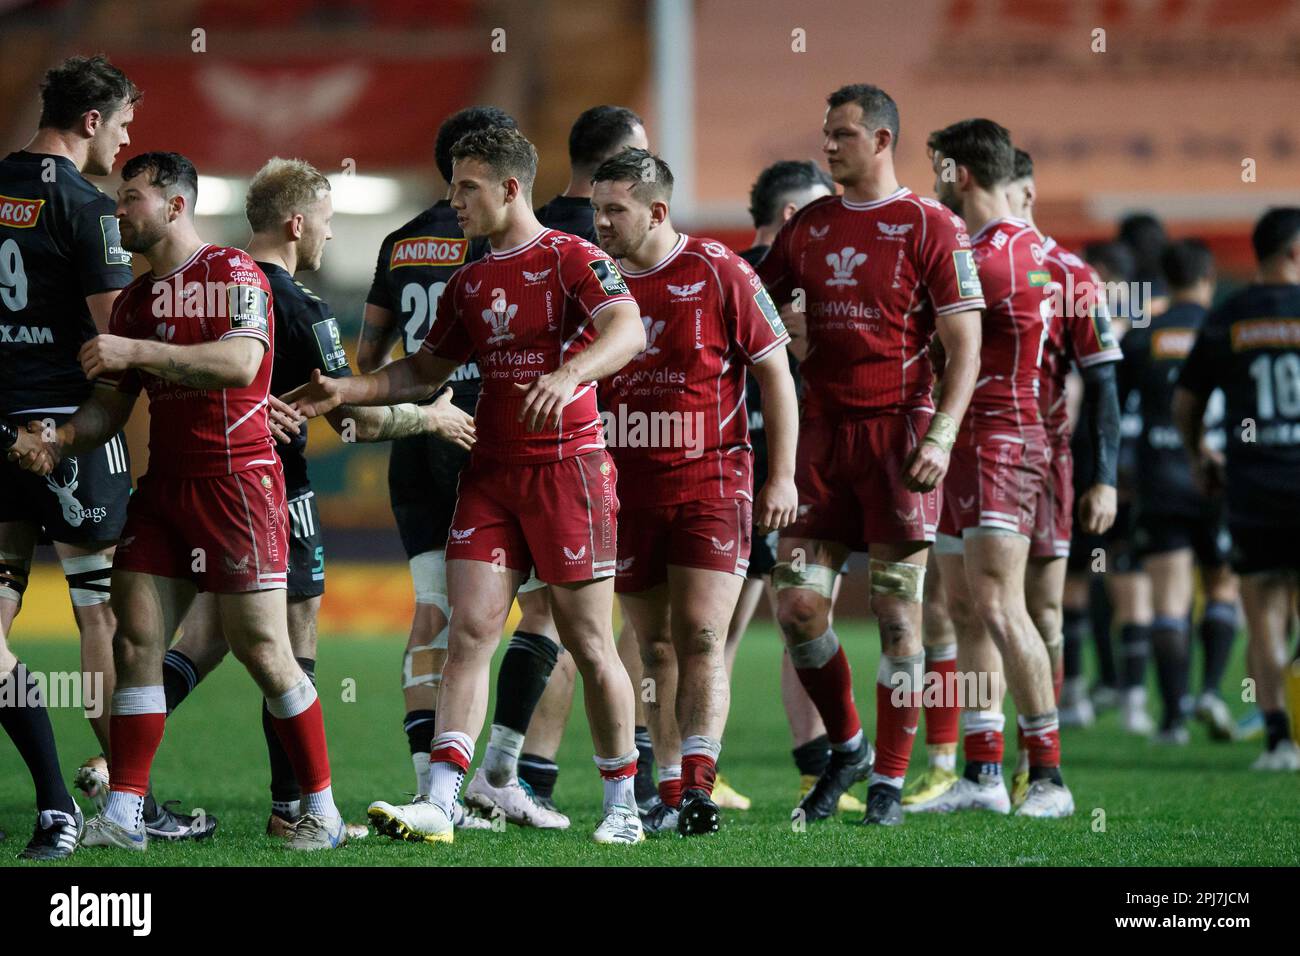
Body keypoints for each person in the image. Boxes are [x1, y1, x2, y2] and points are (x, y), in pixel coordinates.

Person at [290, 127, 650, 844]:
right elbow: (422, 372)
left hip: (567, 472)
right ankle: (445, 798)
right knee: (471, 632)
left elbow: (628, 328)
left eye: (467, 187)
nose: (453, 200)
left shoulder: (571, 257)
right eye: (453, 185)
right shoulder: (471, 279)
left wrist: (571, 372)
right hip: (491, 475)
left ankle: (623, 807)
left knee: (587, 640)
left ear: (511, 189)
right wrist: (350, 388)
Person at [120, 157, 476, 839]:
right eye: (327, 223)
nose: (330, 238)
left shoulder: (211, 275)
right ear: (297, 222)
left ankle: (124, 777)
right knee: (284, 634)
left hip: (188, 480)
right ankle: (299, 807)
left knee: (215, 633)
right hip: (265, 489)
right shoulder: (298, 305)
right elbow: (353, 419)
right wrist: (431, 415)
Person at [12, 151, 347, 851]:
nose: (117, 210)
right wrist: (62, 437)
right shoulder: (133, 300)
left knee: (262, 648)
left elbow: (241, 363)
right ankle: (126, 816)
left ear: (174, 204)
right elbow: (109, 408)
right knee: (136, 644)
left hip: (239, 483)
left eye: (130, 197)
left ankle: (321, 807)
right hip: (164, 489)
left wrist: (136, 353)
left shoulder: (231, 272)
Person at [757, 84, 984, 825]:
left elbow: (965, 347)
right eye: (826, 133)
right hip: (821, 440)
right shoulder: (808, 228)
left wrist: (942, 438)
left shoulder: (932, 225)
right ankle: (848, 743)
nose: (828, 145)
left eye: (844, 134)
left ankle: (887, 780)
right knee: (795, 607)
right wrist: (785, 326)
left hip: (898, 439)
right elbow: (755, 311)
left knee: (896, 617)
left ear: (882, 141)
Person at [356, 106, 556, 826]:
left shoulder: (400, 241)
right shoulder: (501, 241)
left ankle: (427, 783)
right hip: (488, 433)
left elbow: (371, 356)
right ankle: (498, 766)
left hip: (414, 440)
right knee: (546, 606)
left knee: (434, 613)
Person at [591, 148, 798, 834]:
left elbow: (777, 375)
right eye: (596, 209)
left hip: (712, 484)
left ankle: (702, 786)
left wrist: (783, 475)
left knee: (702, 636)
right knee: (653, 649)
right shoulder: (592, 281)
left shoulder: (718, 269)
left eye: (613, 210)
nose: (601, 223)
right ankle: (672, 786)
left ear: (655, 210)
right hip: (625, 494)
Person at [913, 119, 1072, 819]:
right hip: (961, 442)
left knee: (1002, 605)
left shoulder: (990, 256)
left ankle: (1048, 779)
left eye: (936, 168)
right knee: (965, 608)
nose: (932, 181)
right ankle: (981, 772)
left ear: (961, 174)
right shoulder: (1025, 248)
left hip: (1002, 439)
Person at [1174, 207, 1300, 771]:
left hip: (1254, 489)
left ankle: (1278, 741)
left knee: (1264, 611)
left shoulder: (1229, 316)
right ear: (1294, 251)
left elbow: (1186, 402)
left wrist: (1199, 452)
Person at [1122, 238, 1238, 743]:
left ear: (1166, 279)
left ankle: (1171, 719)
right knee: (1222, 587)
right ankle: (1210, 691)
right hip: (1218, 475)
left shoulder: (1143, 333)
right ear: (1209, 275)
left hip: (1159, 478)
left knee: (1168, 603)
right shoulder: (1224, 330)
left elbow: (1118, 408)